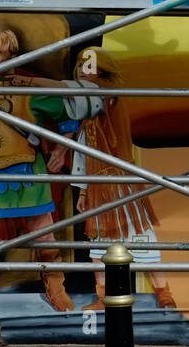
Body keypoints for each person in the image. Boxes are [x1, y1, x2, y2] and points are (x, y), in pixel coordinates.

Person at [0, 28, 74, 314]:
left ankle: (55, 287)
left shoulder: (27, 87)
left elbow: (68, 114)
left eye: (11, 54)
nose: (5, 59)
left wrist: (61, 151)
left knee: (44, 234)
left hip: (27, 173)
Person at [68, 46, 176, 311]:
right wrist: (83, 191)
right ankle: (103, 296)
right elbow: (83, 156)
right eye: (82, 65)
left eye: (90, 66)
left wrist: (36, 83)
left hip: (120, 182)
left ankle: (164, 294)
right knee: (98, 247)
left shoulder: (110, 98)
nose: (85, 70)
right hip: (97, 187)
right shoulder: (87, 119)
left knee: (142, 239)